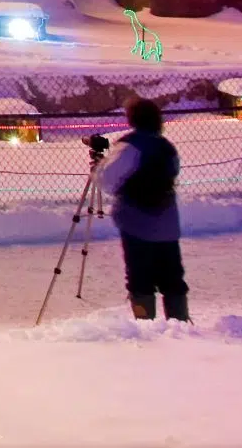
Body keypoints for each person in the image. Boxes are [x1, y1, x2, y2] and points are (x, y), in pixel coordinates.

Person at [98, 97, 188, 321]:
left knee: (140, 278)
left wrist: (97, 167)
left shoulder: (129, 146)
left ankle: (144, 323)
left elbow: (108, 179)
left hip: (135, 220)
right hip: (166, 221)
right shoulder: (166, 146)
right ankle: (179, 322)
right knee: (172, 276)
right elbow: (173, 172)